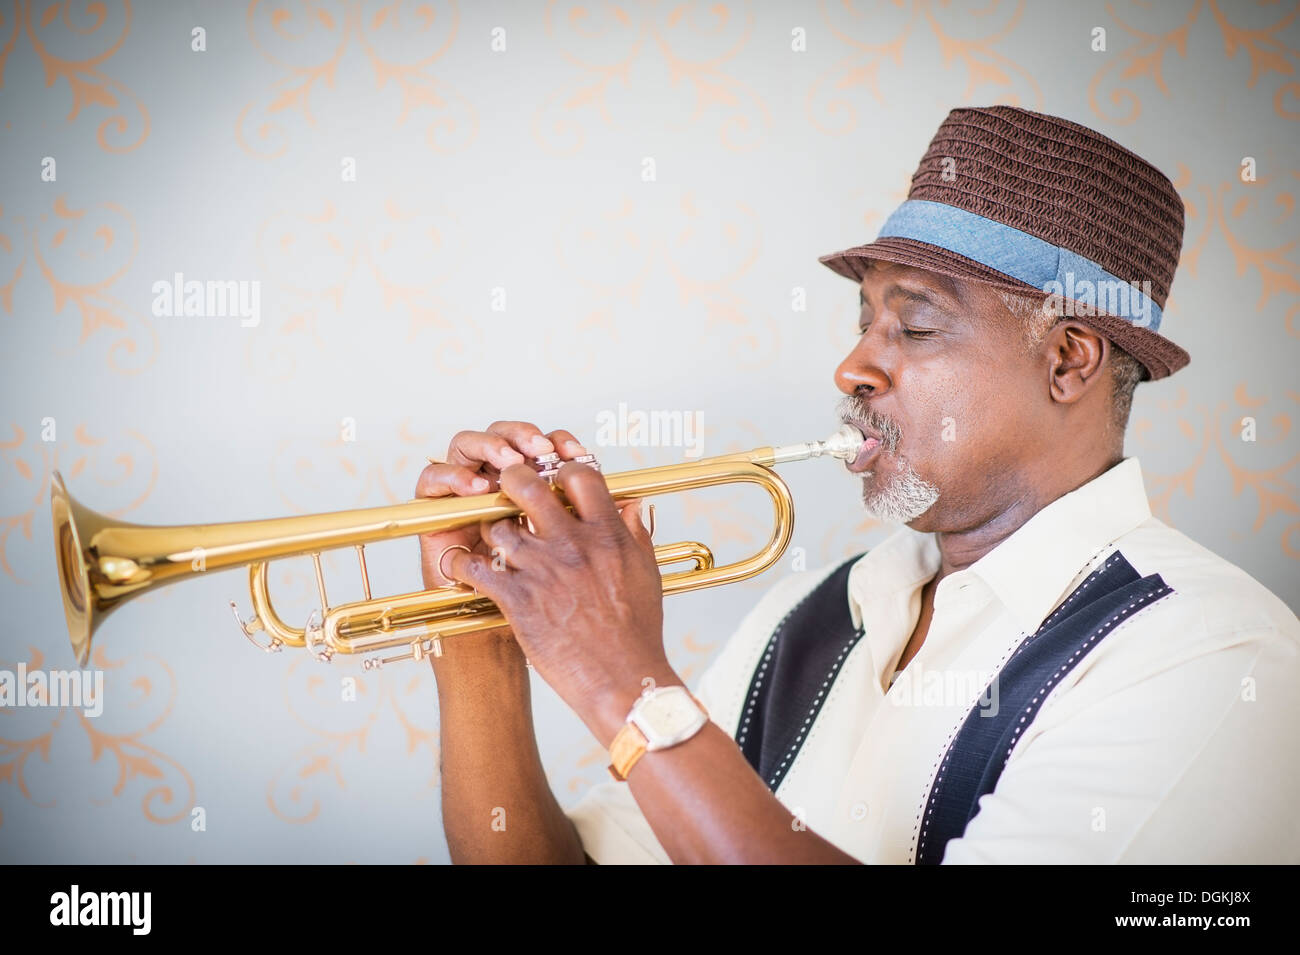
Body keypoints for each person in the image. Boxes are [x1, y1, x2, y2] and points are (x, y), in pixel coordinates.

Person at [415, 106, 1300, 864]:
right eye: (862, 320)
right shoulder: (813, 614)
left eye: (914, 326)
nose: (853, 367)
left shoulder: (1208, 652)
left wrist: (622, 678)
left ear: (1067, 359)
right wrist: (482, 637)